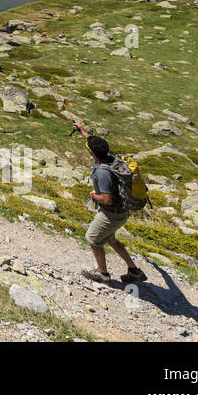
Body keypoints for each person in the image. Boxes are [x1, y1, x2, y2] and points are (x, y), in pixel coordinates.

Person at [74, 121, 147, 284]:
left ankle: (103, 274)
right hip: (122, 211)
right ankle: (134, 270)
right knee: (110, 238)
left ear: (92, 153)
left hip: (110, 213)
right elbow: (95, 142)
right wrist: (83, 132)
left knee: (93, 239)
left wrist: (94, 196)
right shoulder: (111, 158)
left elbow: (107, 199)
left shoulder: (102, 173)